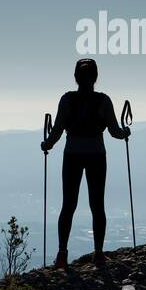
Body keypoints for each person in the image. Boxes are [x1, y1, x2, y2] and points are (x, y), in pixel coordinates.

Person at [40, 58, 129, 268]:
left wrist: (47, 145)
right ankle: (98, 253)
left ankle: (62, 255)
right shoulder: (103, 101)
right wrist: (126, 132)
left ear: (75, 77)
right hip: (97, 155)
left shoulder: (67, 100)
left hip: (72, 154)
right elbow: (115, 131)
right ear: (96, 78)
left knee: (68, 205)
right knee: (97, 205)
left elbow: (58, 130)